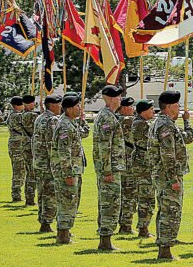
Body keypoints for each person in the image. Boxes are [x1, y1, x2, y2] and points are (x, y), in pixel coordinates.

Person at [150, 90, 193, 260]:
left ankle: (164, 246)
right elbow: (167, 154)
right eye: (176, 105)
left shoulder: (164, 123)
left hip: (163, 175)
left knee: (165, 210)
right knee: (171, 211)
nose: (179, 108)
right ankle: (165, 250)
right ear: (168, 106)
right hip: (167, 176)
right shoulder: (165, 126)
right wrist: (173, 178)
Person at [93, 85, 126, 251]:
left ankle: (105, 238)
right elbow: (105, 146)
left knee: (108, 202)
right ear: (112, 98)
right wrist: (107, 170)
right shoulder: (107, 118)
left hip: (111, 167)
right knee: (110, 203)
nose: (120, 99)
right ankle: (105, 240)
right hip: (110, 169)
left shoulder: (107, 116)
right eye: (119, 97)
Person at [53, 93, 88, 244]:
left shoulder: (70, 123)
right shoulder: (65, 126)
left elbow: (84, 134)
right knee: (67, 201)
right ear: (68, 109)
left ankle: (66, 230)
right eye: (77, 106)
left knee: (71, 201)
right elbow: (63, 152)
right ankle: (62, 234)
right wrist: (68, 174)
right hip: (68, 171)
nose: (80, 108)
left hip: (75, 169)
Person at [32, 95, 62, 233]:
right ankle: (47, 223)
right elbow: (52, 143)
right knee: (50, 194)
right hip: (49, 163)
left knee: (42, 192)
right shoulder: (52, 119)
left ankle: (43, 220)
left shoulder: (40, 117)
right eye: (59, 104)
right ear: (54, 105)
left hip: (39, 161)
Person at [130, 100, 156, 238]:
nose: (153, 112)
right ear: (143, 111)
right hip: (144, 165)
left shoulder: (140, 123)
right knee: (146, 197)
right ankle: (143, 228)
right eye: (151, 109)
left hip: (143, 163)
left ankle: (144, 226)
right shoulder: (142, 124)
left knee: (147, 197)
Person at [117, 96, 137, 234]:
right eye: (131, 106)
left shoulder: (115, 119)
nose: (133, 109)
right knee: (129, 194)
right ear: (124, 108)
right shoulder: (127, 121)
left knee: (121, 194)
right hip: (128, 162)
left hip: (120, 162)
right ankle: (126, 224)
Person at [5, 96, 29, 203]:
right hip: (17, 146)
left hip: (19, 145)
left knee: (21, 170)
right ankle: (16, 194)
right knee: (18, 171)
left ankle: (18, 192)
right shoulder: (16, 116)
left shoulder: (15, 115)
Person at [20, 95, 38, 205]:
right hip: (30, 146)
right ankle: (30, 198)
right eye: (33, 103)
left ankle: (29, 197)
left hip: (25, 145)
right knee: (32, 173)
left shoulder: (22, 114)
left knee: (29, 172)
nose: (34, 105)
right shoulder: (31, 115)